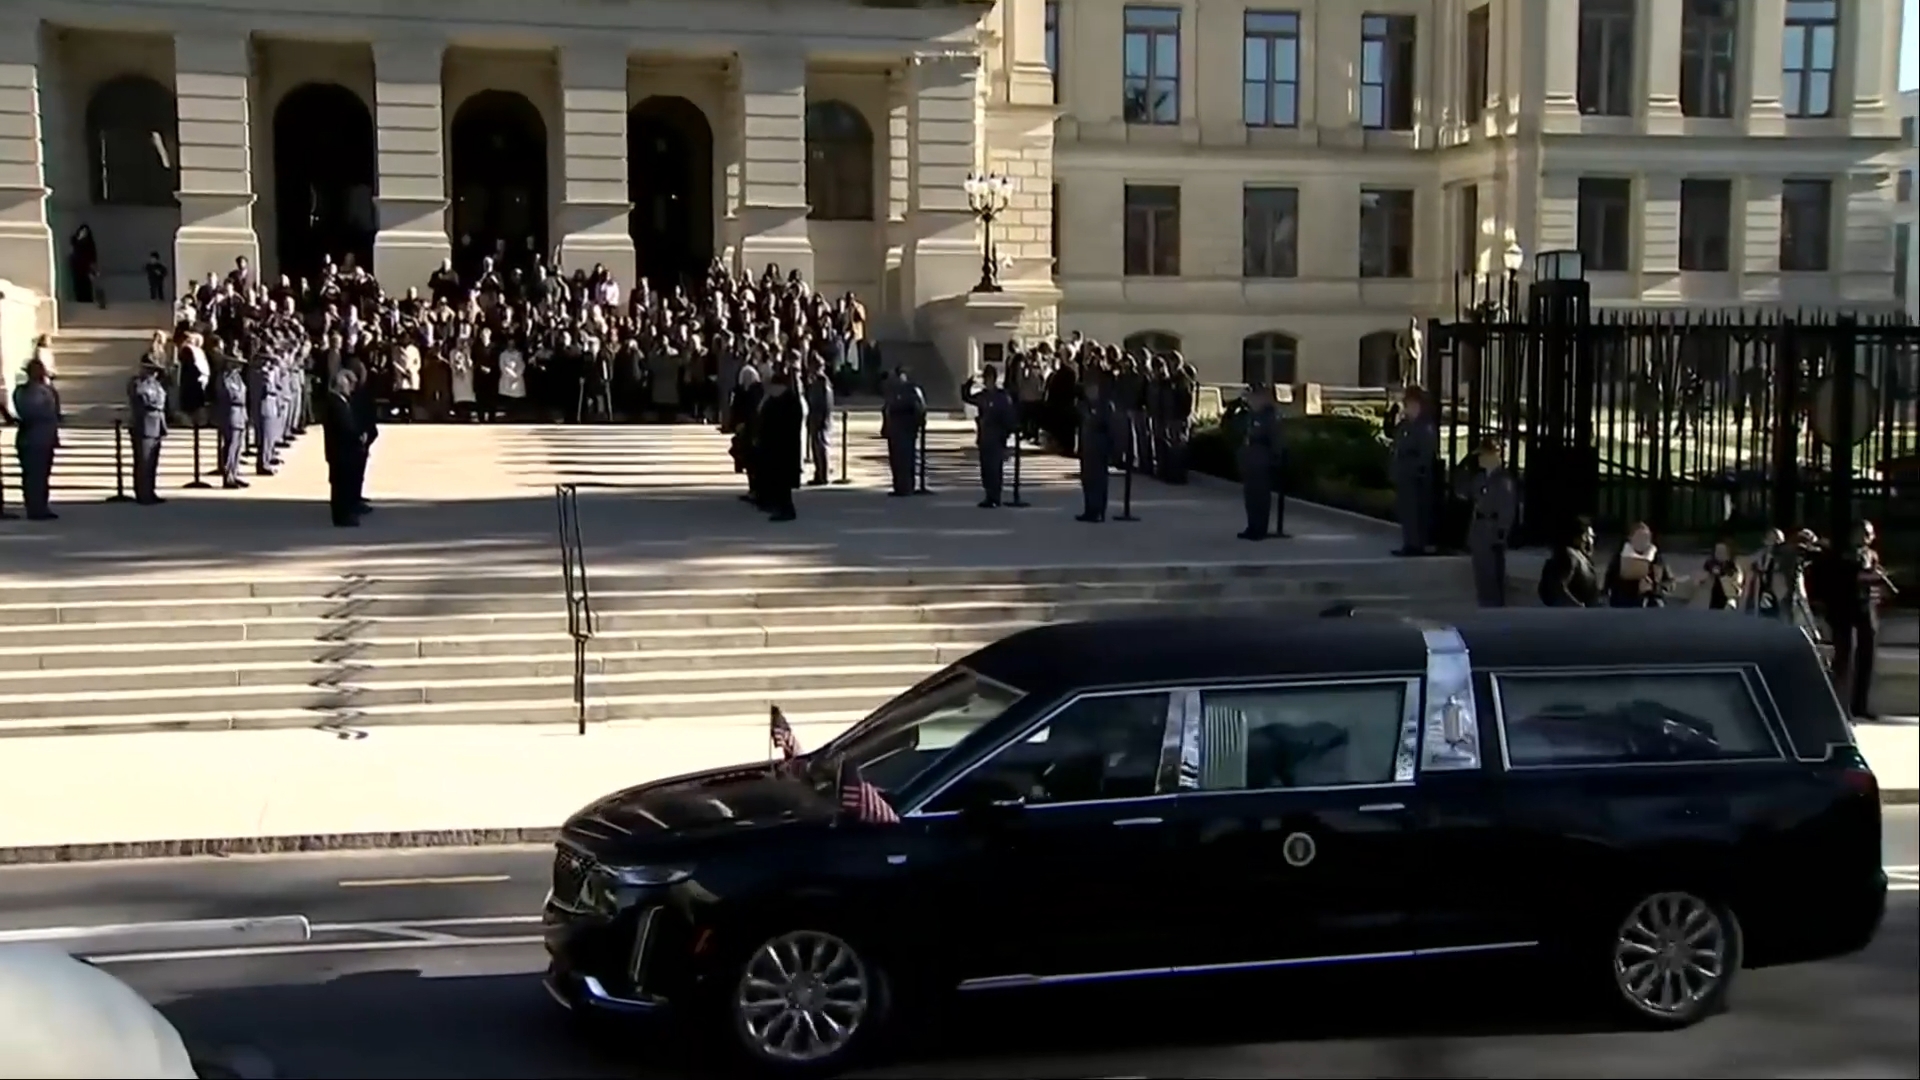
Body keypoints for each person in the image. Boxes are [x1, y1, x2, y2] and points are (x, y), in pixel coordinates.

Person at [1822, 521, 1893, 719]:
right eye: (1862, 533)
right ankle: (1839, 706)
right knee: (1844, 659)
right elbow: (1843, 577)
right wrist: (1865, 576)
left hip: (1865, 608)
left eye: (1869, 534)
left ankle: (1860, 705)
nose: (1866, 538)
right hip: (1844, 609)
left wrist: (1879, 582)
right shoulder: (1841, 554)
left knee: (1866, 657)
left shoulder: (1871, 555)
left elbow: (1872, 579)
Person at [1462, 439, 1517, 606]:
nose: (1480, 459)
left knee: (1492, 575)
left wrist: (1501, 534)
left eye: (1483, 455)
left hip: (1492, 530)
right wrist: (1464, 466)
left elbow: (1507, 510)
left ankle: (1494, 609)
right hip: (1479, 529)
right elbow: (1464, 491)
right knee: (1481, 575)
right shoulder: (1481, 478)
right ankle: (1485, 606)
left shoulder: (1502, 480)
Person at [961, 365, 1018, 508]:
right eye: (985, 379)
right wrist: (968, 384)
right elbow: (967, 397)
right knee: (985, 468)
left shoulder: (1002, 397)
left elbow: (1009, 418)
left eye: (989, 378)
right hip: (984, 436)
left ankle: (996, 496)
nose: (987, 382)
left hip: (997, 437)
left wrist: (1006, 434)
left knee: (995, 468)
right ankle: (988, 495)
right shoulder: (983, 396)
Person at [1390, 386, 1438, 555]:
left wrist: (1417, 470)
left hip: (1416, 477)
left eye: (1408, 403)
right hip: (1405, 475)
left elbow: (1425, 452)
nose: (1407, 407)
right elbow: (1394, 439)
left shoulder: (1425, 426)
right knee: (1406, 511)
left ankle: (1416, 544)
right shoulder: (1406, 425)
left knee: (1415, 512)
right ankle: (1409, 542)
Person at [1236, 384, 1287, 541]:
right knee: (1250, 496)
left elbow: (1276, 439)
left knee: (1260, 496)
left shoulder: (1269, 416)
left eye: (1253, 397)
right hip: (1251, 458)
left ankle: (1260, 529)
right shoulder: (1251, 415)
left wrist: (1276, 459)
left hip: (1262, 459)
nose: (1250, 400)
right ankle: (1252, 526)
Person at [11, 359, 60, 521]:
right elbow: (33, 413)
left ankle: (40, 505)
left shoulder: (46, 390)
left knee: (41, 475)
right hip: (33, 438)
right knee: (34, 475)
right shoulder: (27, 392)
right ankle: (35, 508)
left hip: (44, 437)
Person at [755, 371, 803, 522]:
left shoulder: (785, 402)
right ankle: (779, 506)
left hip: (781, 447)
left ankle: (786, 509)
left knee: (782, 481)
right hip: (777, 446)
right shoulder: (780, 400)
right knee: (779, 481)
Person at [323, 368, 363, 527]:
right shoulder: (335, 402)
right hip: (340, 450)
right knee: (340, 485)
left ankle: (345, 514)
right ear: (342, 384)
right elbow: (343, 427)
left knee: (343, 483)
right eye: (350, 384)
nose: (352, 388)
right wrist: (357, 435)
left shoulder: (340, 400)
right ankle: (342, 516)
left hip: (343, 450)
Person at [126, 360, 169, 505]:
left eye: (156, 370)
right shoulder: (138, 383)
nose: (154, 373)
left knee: (152, 462)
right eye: (151, 370)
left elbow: (162, 400)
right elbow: (144, 398)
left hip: (157, 424)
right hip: (143, 424)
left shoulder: (156, 384)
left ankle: (150, 490)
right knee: (143, 462)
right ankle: (142, 493)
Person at [1603, 522, 1675, 608]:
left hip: (1651, 601)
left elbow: (1669, 582)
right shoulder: (1620, 558)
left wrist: (1654, 588)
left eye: (1646, 538)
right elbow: (1609, 582)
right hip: (1625, 602)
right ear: (1630, 538)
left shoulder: (1656, 558)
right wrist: (1635, 587)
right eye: (1639, 538)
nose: (1643, 541)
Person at [1538, 517, 1601, 607]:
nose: (1592, 541)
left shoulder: (1581, 558)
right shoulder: (1570, 556)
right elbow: (1558, 587)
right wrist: (1577, 607)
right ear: (1581, 538)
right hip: (1571, 617)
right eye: (1590, 536)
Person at [881, 367, 925, 497]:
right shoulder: (891, 391)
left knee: (906, 459)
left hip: (906, 430)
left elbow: (919, 409)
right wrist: (885, 427)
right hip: (894, 430)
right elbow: (886, 410)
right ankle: (898, 486)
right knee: (895, 460)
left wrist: (916, 426)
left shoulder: (912, 391)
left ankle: (907, 486)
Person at [1075, 378, 1114, 523]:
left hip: (1099, 448)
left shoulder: (1106, 407)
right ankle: (1089, 509)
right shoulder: (1084, 406)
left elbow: (1111, 430)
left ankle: (1098, 510)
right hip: (1087, 447)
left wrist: (1112, 450)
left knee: (1098, 481)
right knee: (1087, 480)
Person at [212, 357, 249, 489]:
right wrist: (239, 396)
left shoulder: (237, 377)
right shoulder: (224, 377)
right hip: (230, 412)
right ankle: (228, 477)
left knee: (238, 446)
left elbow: (243, 393)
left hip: (240, 412)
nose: (239, 366)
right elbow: (230, 394)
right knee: (230, 446)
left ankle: (235, 473)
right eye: (236, 363)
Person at [803, 360, 835, 486]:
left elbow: (824, 403)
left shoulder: (822, 383)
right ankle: (819, 473)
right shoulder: (818, 382)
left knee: (821, 447)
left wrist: (822, 419)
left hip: (820, 419)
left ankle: (823, 474)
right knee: (817, 447)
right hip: (816, 418)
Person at [1700, 539, 1744, 611]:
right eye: (1717, 551)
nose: (1719, 554)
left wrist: (1722, 571)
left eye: (1722, 551)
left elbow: (1732, 575)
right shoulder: (1711, 563)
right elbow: (1707, 566)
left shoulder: (1732, 566)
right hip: (1714, 596)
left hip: (1728, 596)